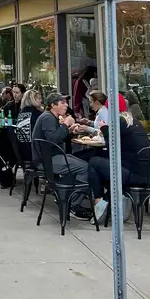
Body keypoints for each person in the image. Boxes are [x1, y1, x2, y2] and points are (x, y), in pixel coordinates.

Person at [32, 92, 92, 220]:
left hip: (51, 157)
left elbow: (56, 136)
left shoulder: (50, 117)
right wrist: (65, 125)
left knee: (81, 162)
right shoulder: (48, 118)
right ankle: (72, 204)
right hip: (47, 160)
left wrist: (69, 130)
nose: (66, 105)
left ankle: (65, 197)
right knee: (85, 167)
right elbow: (53, 139)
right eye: (62, 103)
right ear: (53, 105)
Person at [88, 106, 149, 222]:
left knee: (93, 162)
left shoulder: (120, 122)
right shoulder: (134, 122)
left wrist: (104, 128)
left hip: (131, 174)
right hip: (145, 173)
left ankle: (99, 200)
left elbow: (111, 146)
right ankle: (106, 199)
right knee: (102, 164)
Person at [15, 88, 43, 163]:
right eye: (39, 98)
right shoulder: (38, 114)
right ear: (32, 100)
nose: (41, 100)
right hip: (34, 153)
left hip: (21, 152)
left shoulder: (21, 113)